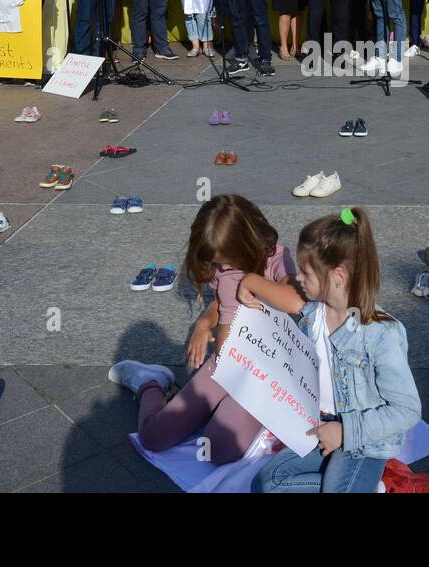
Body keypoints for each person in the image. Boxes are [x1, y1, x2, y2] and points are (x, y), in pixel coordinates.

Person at [110, 195, 299, 467]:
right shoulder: (223, 264)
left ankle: (243, 415)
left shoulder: (276, 258)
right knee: (153, 436)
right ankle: (149, 383)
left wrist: (251, 281)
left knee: (219, 449)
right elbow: (221, 303)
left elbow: (293, 300)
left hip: (266, 372)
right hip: (227, 361)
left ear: (246, 242)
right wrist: (204, 323)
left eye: (227, 263)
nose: (221, 269)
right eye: (217, 264)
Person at [248, 207, 421, 494]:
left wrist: (344, 432)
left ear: (338, 275)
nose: (298, 277)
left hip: (362, 438)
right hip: (323, 424)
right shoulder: (313, 315)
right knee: (266, 483)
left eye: (306, 271)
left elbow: (407, 410)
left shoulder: (381, 335)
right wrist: (247, 284)